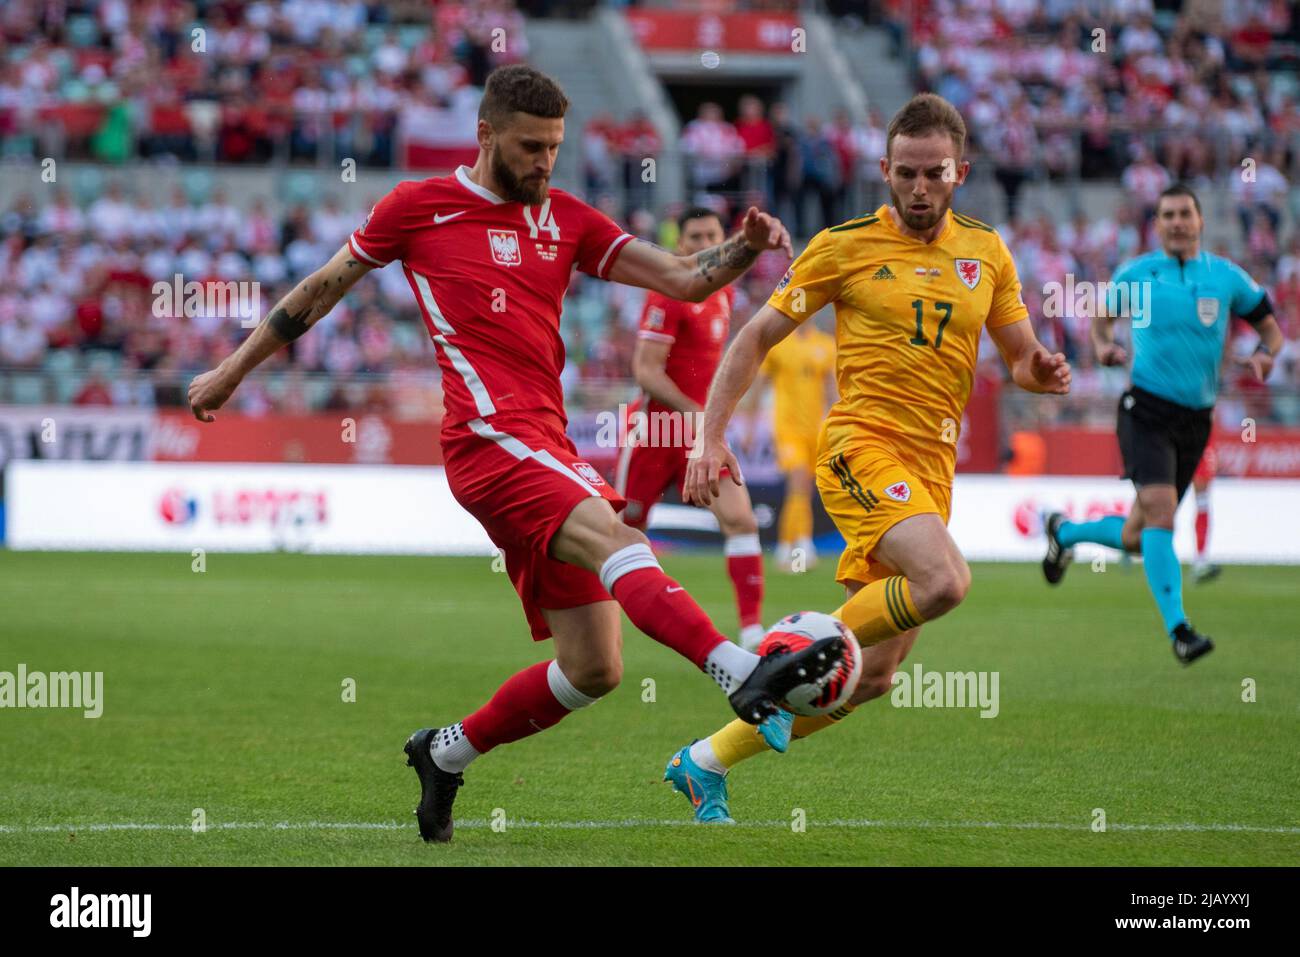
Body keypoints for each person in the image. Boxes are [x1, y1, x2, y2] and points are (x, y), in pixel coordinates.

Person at [186, 65, 848, 843]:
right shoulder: (419, 209)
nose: (544, 163)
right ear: (486, 135)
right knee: (619, 539)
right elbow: (323, 287)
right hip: (486, 439)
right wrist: (232, 368)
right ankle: (739, 672)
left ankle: (444, 752)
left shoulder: (564, 217)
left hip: (547, 441)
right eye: (531, 147)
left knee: (595, 666)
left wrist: (745, 247)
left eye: (555, 148)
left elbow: (680, 276)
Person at [663, 93, 1071, 823]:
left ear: (960, 172)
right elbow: (755, 336)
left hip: (930, 473)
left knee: (871, 677)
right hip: (860, 446)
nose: (919, 188)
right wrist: (710, 435)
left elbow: (1019, 360)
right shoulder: (843, 244)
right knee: (944, 580)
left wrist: (1042, 369)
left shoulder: (989, 252)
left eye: (934, 174)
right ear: (884, 169)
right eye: (906, 173)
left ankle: (705, 760)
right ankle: (780, 658)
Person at [1042, 185, 1284, 664]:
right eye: (1168, 214)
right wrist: (1105, 346)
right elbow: (1100, 320)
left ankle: (1064, 533)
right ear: (1158, 224)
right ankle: (1180, 630)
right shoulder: (1138, 274)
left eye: (1184, 214)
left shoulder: (1226, 277)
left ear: (1199, 221)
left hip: (1196, 420)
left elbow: (1271, 331)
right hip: (1145, 410)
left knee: (1138, 534)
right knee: (1160, 513)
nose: (1176, 222)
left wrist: (1262, 356)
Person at [616, 206, 765, 649]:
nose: (704, 246)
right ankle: (599, 624)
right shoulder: (667, 294)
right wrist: (691, 411)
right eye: (695, 238)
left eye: (711, 237)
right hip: (655, 434)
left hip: (699, 436)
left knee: (740, 519)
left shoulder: (724, 293)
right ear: (680, 245)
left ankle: (753, 633)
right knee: (624, 533)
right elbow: (646, 371)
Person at [754, 319, 836, 578]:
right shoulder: (779, 345)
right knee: (799, 481)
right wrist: (748, 421)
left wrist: (835, 421)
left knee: (803, 488)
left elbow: (831, 389)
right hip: (787, 428)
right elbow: (761, 384)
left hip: (816, 429)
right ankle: (803, 545)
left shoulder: (825, 344)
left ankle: (785, 547)